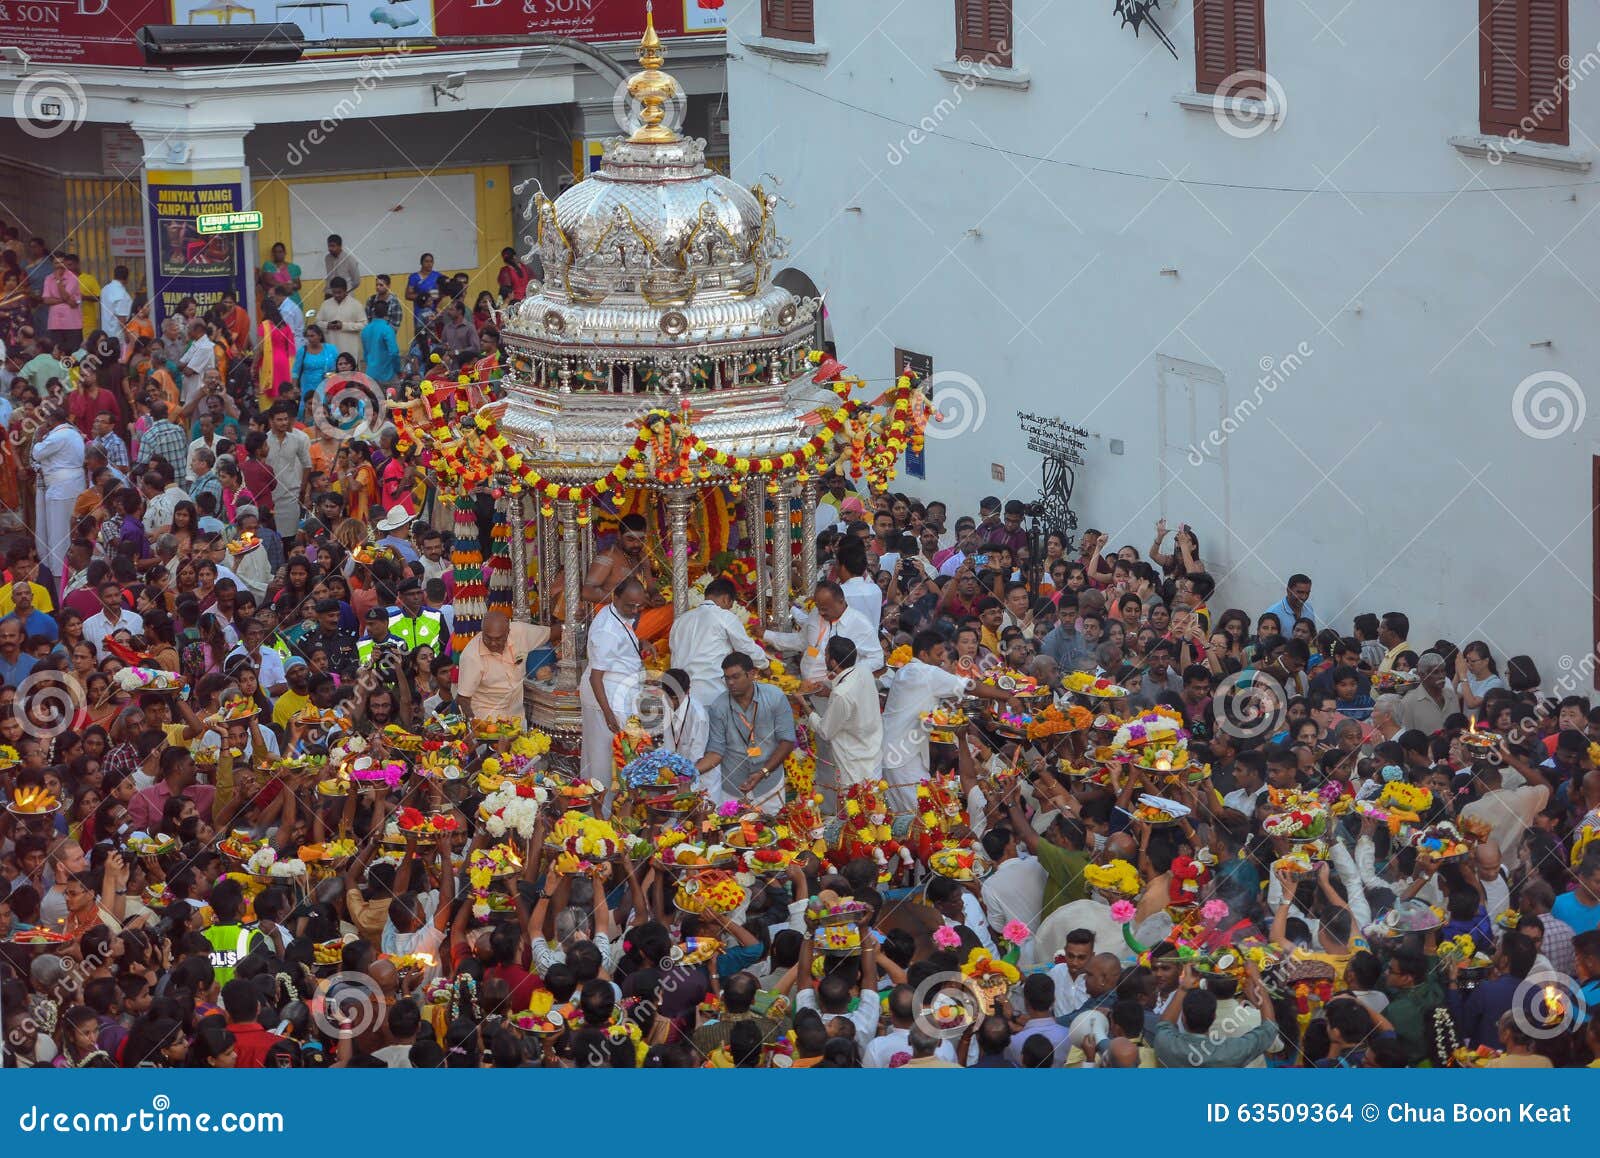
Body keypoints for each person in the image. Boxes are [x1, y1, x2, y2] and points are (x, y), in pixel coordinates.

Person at [697, 651, 796, 812]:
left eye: (735, 677)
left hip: (769, 785)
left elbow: (787, 741)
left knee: (774, 832)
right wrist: (691, 771)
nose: (730, 682)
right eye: (727, 678)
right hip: (733, 788)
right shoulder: (719, 707)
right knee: (734, 834)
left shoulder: (775, 697)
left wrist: (763, 772)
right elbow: (716, 751)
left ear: (752, 674)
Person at [668, 576, 770, 707]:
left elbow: (674, 654)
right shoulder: (724, 616)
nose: (729, 608)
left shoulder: (680, 621)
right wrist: (764, 665)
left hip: (682, 694)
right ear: (726, 599)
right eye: (730, 605)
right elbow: (745, 648)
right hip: (713, 691)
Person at [797, 636, 881, 793]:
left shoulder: (841, 694)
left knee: (856, 813)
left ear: (834, 662)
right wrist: (829, 692)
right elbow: (856, 702)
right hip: (873, 757)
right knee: (873, 809)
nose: (824, 658)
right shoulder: (864, 672)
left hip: (853, 767)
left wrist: (803, 702)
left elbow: (824, 731)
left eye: (826, 654)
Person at [457, 609, 551, 727]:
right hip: (487, 721)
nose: (493, 643)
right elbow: (462, 699)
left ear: (508, 632)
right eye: (488, 638)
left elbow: (552, 633)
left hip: (517, 719)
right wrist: (473, 724)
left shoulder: (520, 632)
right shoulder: (471, 656)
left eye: (498, 639)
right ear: (482, 632)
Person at [29, 406, 85, 579]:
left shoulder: (58, 435)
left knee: (59, 531)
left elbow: (37, 453)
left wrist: (38, 438)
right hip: (73, 484)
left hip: (61, 488)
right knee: (70, 527)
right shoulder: (74, 433)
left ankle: (59, 571)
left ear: (52, 420)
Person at [318, 275, 367, 363]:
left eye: (339, 292)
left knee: (349, 376)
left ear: (345, 290)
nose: (336, 295)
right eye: (334, 292)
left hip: (350, 350)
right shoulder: (325, 304)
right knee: (332, 375)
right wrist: (327, 325)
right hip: (331, 350)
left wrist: (344, 326)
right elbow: (317, 322)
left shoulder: (355, 304)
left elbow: (364, 325)